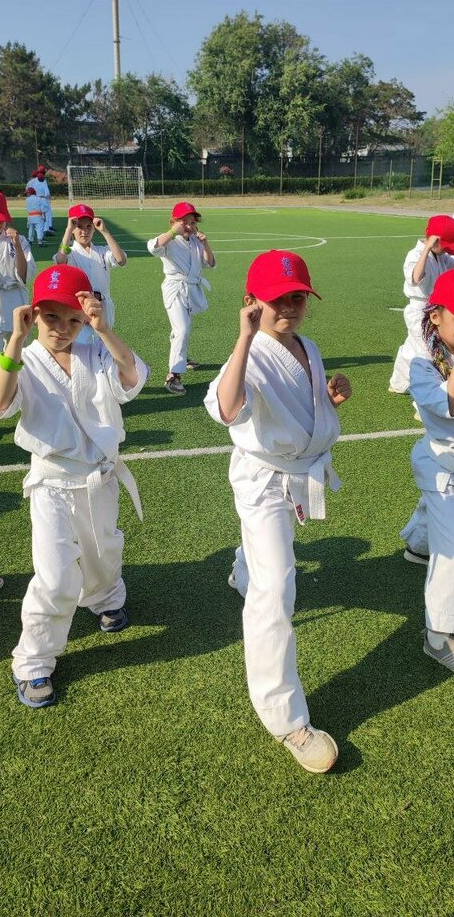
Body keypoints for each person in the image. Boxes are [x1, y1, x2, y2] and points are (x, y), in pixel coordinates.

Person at [204, 250, 351, 773]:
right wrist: (243, 337)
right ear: (253, 302)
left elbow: (305, 408)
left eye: (297, 297)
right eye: (277, 299)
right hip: (264, 480)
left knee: (268, 559)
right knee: (276, 587)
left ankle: (243, 567)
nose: (288, 307)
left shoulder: (306, 345)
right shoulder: (250, 351)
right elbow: (227, 408)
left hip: (296, 472)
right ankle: (285, 717)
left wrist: (332, 397)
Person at [0, 264, 149, 708]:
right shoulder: (20, 358)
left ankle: (105, 597)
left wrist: (104, 330)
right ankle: (34, 660)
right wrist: (15, 342)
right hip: (53, 481)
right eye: (51, 318)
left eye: (73, 320)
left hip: (99, 474)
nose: (62, 329)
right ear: (33, 314)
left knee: (103, 549)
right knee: (56, 573)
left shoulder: (95, 352)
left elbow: (133, 379)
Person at [404, 268, 454, 672]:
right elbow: (444, 404)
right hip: (442, 464)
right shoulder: (424, 365)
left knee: (435, 522)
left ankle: (415, 545)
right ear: (435, 315)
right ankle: (438, 634)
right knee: (452, 551)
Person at [147, 201, 216, 395]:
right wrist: (172, 232)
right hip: (175, 289)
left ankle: (182, 359)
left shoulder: (195, 241)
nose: (189, 226)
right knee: (182, 328)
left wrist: (205, 244)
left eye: (192, 222)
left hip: (191, 289)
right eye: (184, 222)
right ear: (174, 222)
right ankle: (173, 375)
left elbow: (209, 264)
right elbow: (152, 247)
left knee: (184, 327)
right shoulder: (169, 242)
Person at [389, 215, 454, 394]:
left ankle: (397, 382)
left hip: (434, 308)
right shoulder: (416, 255)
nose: (447, 251)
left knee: (412, 346)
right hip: (419, 310)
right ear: (434, 240)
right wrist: (426, 249)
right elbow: (416, 278)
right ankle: (424, 399)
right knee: (428, 352)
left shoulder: (442, 257)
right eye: (445, 246)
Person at [54, 204, 127, 344]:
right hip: (80, 309)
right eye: (79, 227)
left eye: (89, 226)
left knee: (105, 350)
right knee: (82, 347)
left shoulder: (102, 251)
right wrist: (68, 230)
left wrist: (105, 231)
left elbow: (121, 260)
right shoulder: (71, 252)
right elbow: (60, 261)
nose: (84, 231)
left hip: (103, 307)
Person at [0, 190, 36, 366]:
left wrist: (17, 244)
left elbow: (24, 275)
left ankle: (18, 388)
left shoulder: (19, 239)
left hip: (16, 298)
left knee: (19, 350)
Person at [27, 166, 54, 235]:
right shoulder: (43, 182)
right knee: (46, 214)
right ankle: (46, 229)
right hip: (43, 199)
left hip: (34, 198)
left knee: (33, 212)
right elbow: (47, 193)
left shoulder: (32, 182)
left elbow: (28, 190)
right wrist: (47, 198)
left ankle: (32, 226)